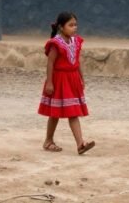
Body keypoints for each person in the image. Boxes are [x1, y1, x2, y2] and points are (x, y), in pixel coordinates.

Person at [38, 11, 95, 155]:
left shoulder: (76, 41)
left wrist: (82, 78)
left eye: (75, 25)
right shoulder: (55, 43)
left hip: (72, 79)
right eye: (71, 25)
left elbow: (77, 61)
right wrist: (50, 83)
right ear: (61, 27)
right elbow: (50, 63)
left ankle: (77, 144)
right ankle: (51, 141)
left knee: (71, 112)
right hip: (59, 80)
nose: (74, 27)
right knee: (57, 113)